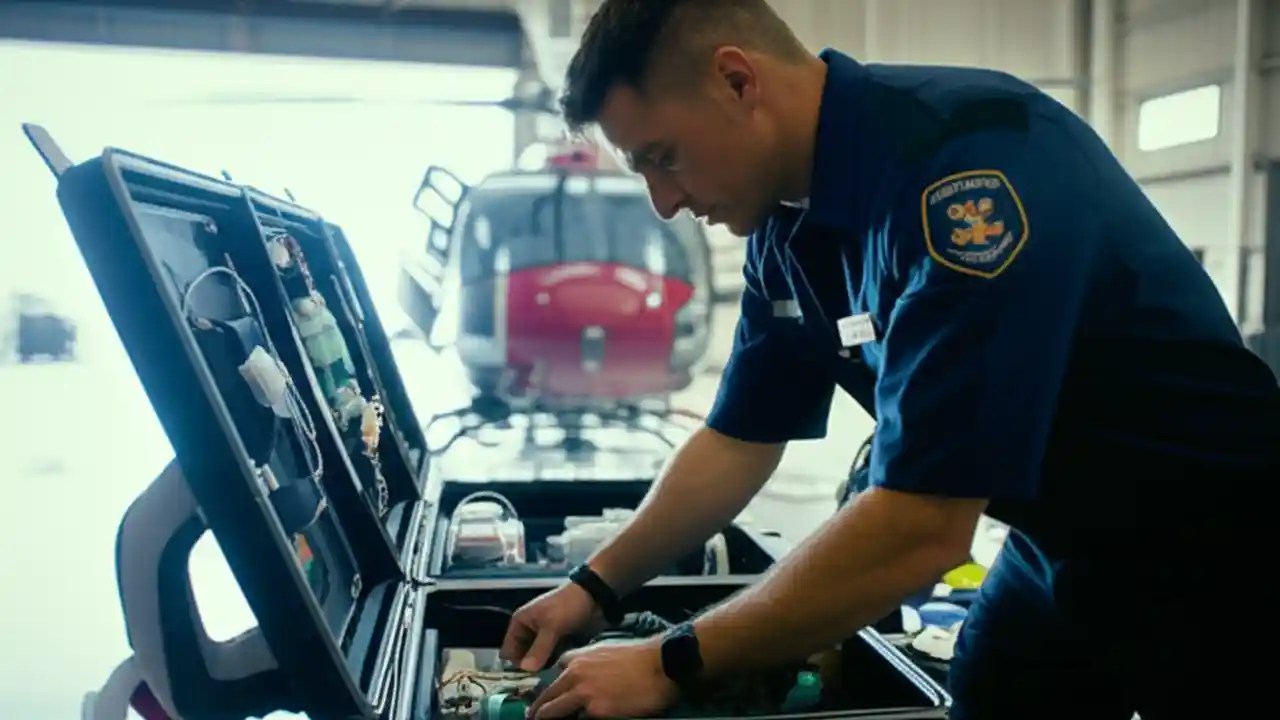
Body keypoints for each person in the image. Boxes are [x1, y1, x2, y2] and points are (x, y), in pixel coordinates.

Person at [501, 1, 1280, 718]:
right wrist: (592, 588)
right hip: (1063, 540)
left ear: (737, 80)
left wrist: (671, 663)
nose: (664, 202)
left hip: (1219, 551)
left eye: (662, 157)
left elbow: (922, 526)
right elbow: (738, 440)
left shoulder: (967, 171)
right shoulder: (785, 227)